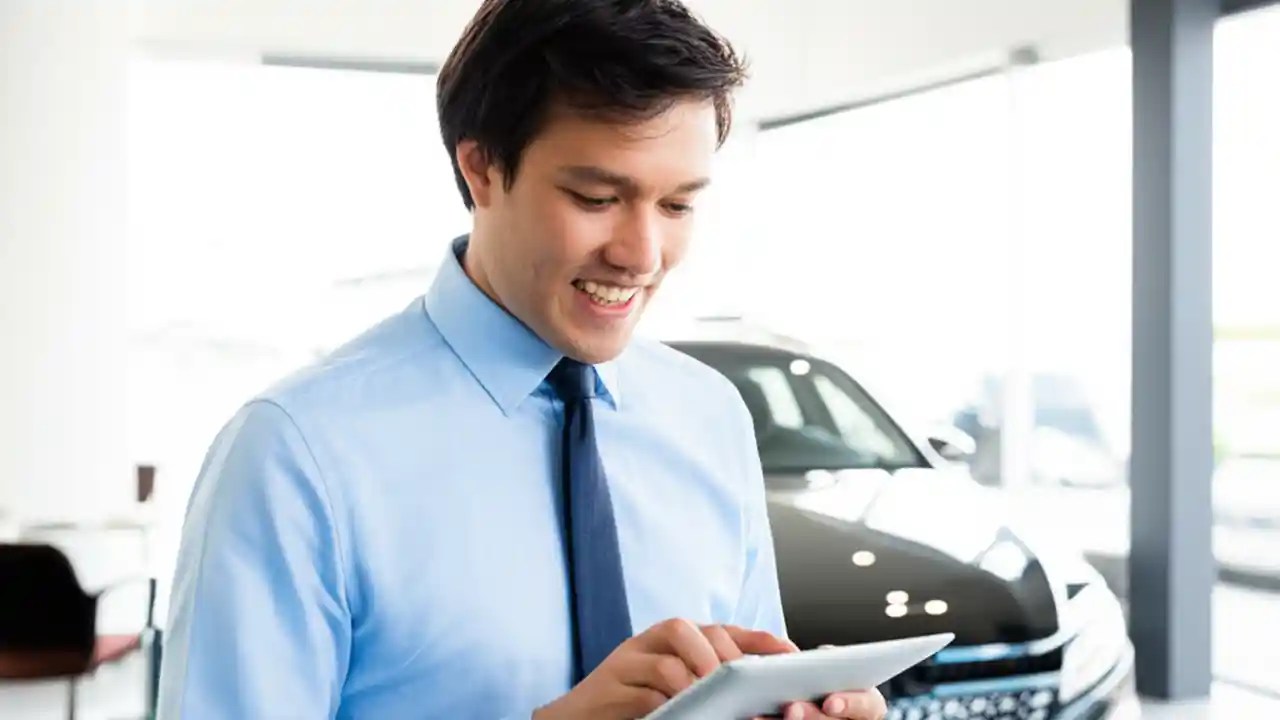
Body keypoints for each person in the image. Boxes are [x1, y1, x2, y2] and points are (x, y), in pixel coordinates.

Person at [156, 1, 887, 719]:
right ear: (480, 170)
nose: (641, 255)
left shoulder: (711, 417)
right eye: (596, 197)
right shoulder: (298, 453)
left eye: (676, 207)